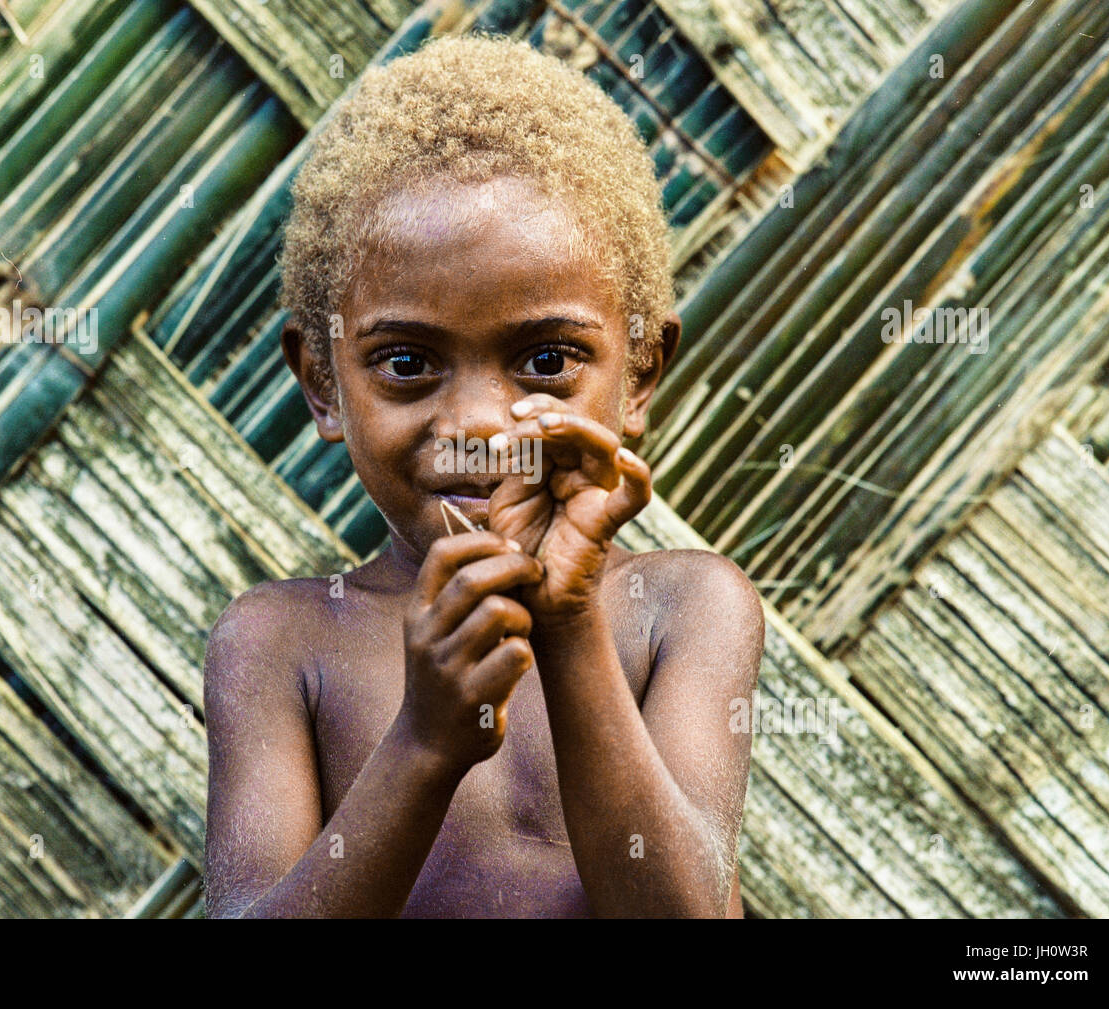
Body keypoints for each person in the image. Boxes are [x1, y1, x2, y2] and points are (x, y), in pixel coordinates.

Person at [203, 33, 765, 918]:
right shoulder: (279, 644)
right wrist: (424, 742)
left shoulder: (688, 608)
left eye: (546, 357)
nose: (477, 425)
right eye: (405, 363)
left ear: (643, 372)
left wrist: (568, 621)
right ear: (321, 381)